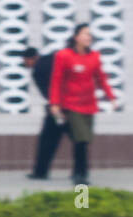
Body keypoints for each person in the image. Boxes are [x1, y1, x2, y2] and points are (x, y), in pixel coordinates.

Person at [49, 23, 117, 185]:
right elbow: (56, 80)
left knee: (84, 140)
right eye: (85, 34)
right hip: (72, 104)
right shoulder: (63, 55)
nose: (89, 37)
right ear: (76, 37)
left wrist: (111, 97)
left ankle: (76, 171)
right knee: (81, 139)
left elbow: (101, 78)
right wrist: (55, 103)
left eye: (90, 34)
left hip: (89, 104)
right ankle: (82, 175)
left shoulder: (94, 56)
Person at [18, 46, 63, 180]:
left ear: (31, 59)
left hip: (57, 109)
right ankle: (80, 172)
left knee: (46, 141)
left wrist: (55, 105)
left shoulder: (38, 70)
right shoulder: (53, 59)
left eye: (26, 61)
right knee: (79, 142)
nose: (26, 64)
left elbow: (48, 92)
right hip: (70, 105)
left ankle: (40, 172)